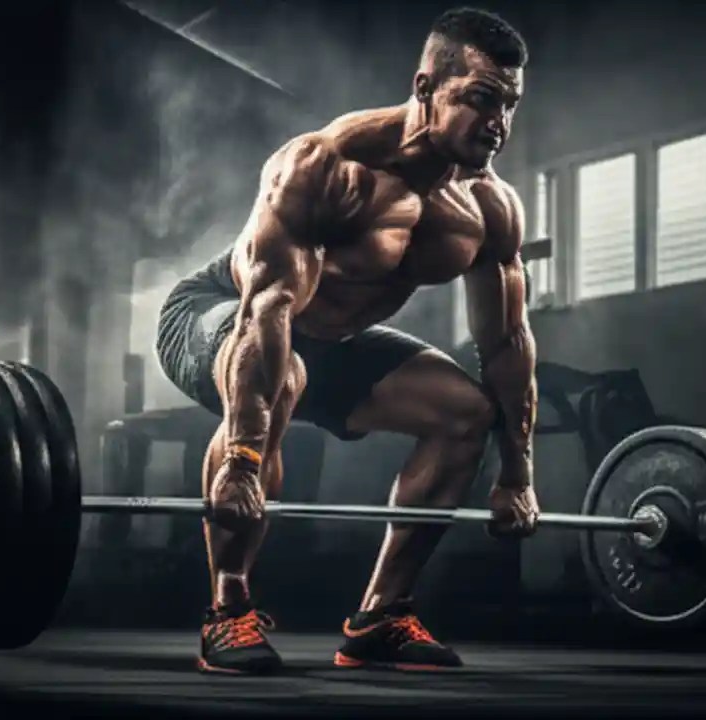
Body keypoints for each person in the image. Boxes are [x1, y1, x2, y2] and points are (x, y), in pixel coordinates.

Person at [155, 6, 539, 675]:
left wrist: (517, 474)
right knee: (285, 377)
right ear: (425, 88)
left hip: (328, 341)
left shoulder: (489, 208)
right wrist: (243, 459)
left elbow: (506, 341)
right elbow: (267, 309)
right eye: (480, 99)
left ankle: (380, 616)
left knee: (465, 413)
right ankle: (228, 609)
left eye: (508, 104)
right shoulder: (327, 164)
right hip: (219, 314)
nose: (498, 123)